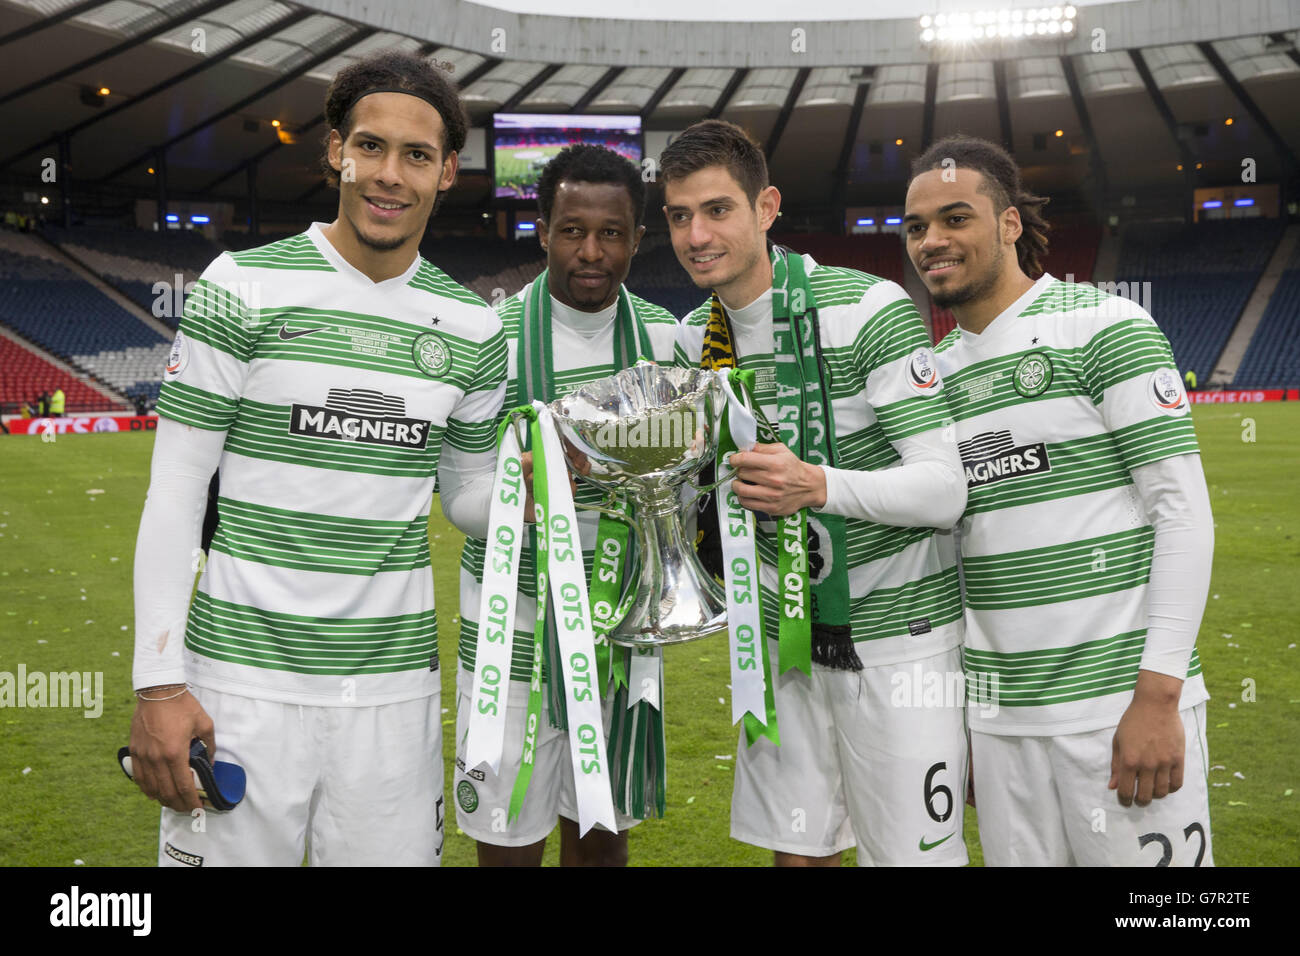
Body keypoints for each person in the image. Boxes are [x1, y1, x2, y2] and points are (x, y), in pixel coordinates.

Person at [127, 50, 505, 866]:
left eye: (416, 156)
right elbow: (177, 490)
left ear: (446, 173)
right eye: (370, 146)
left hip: (394, 698)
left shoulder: (475, 328)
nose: (389, 175)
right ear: (335, 151)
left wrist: (540, 486)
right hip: (239, 684)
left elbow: (470, 496)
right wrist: (158, 682)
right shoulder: (243, 286)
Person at [664, 120, 969, 867]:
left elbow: (944, 489)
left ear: (766, 208)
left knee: (912, 859)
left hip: (898, 644)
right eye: (678, 217)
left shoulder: (867, 309)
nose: (696, 234)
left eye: (717, 210)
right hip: (780, 645)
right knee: (798, 853)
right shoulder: (687, 345)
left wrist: (817, 485)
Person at [906, 134, 1214, 866]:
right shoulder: (929, 378)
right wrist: (965, 727)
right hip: (1000, 726)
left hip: (1117, 712)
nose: (932, 241)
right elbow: (947, 561)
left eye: (956, 218)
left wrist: (1159, 700)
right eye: (916, 228)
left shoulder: (1105, 327)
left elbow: (1183, 515)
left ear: (1010, 224)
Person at [454, 144, 678, 866]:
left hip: (618, 631)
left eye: (611, 233)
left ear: (637, 239)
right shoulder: (492, 337)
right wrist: (525, 493)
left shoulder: (666, 342)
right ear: (542, 231)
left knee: (602, 838)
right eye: (571, 230)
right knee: (508, 841)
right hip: (512, 635)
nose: (591, 251)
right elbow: (459, 496)